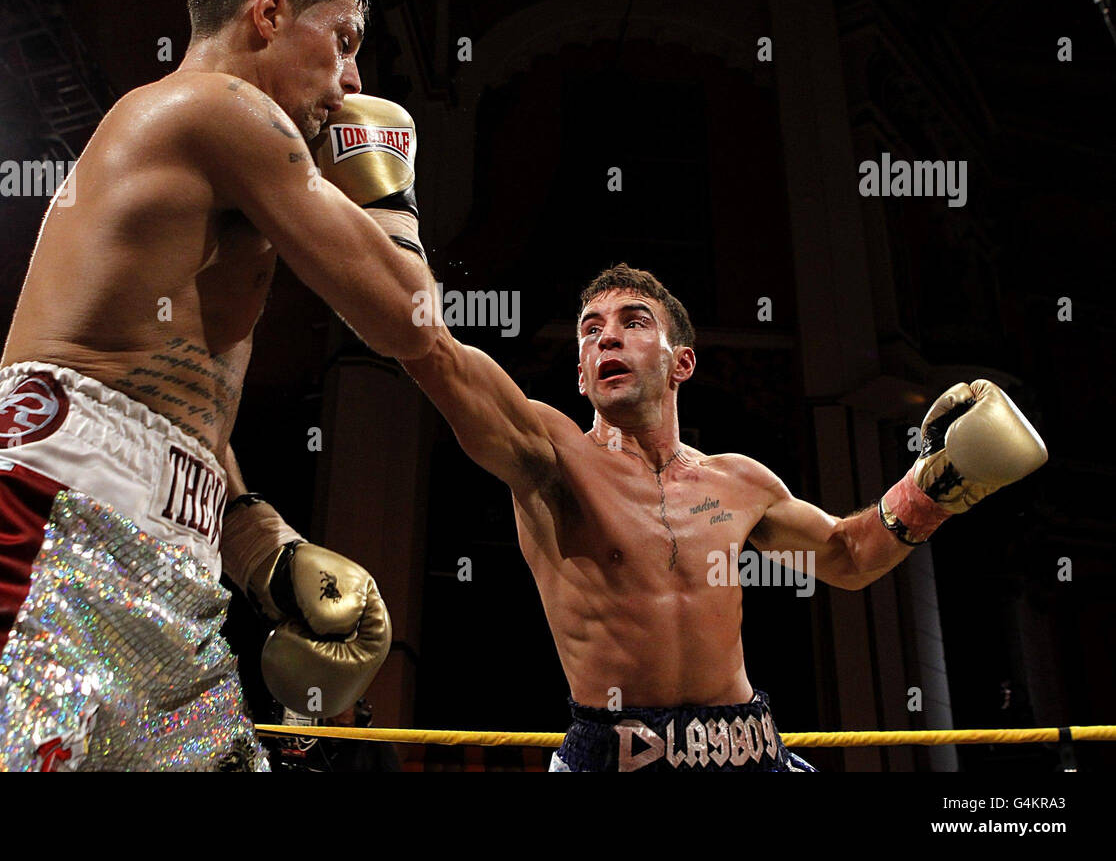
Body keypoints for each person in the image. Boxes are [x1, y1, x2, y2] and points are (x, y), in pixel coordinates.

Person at [0, 0, 435, 772]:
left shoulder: (227, 188)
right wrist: (392, 186)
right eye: (343, 42)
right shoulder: (221, 107)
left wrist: (267, 551)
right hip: (45, 521)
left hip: (176, 569)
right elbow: (408, 319)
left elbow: (171, 408)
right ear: (268, 13)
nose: (355, 82)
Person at [400, 263, 1048, 771]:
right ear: (580, 372)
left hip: (748, 750)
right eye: (592, 329)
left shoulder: (739, 481)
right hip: (615, 757)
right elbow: (437, 355)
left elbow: (849, 556)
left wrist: (934, 488)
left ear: (680, 361)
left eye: (632, 321)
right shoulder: (550, 458)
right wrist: (393, 217)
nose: (608, 337)